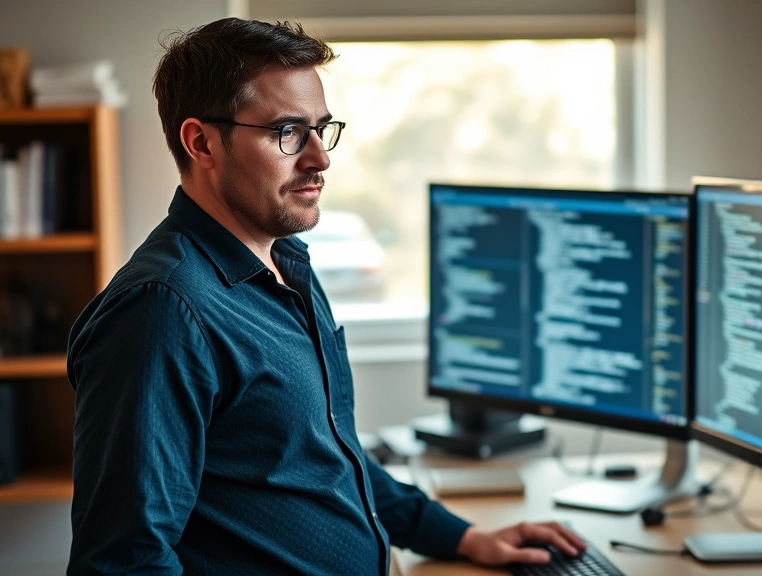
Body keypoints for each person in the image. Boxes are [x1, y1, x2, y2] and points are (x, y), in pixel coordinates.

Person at [67, 18, 583, 575]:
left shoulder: (287, 264)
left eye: (321, 128)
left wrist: (463, 538)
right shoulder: (162, 311)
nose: (320, 158)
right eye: (288, 132)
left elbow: (331, 456)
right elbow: (124, 561)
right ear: (202, 143)